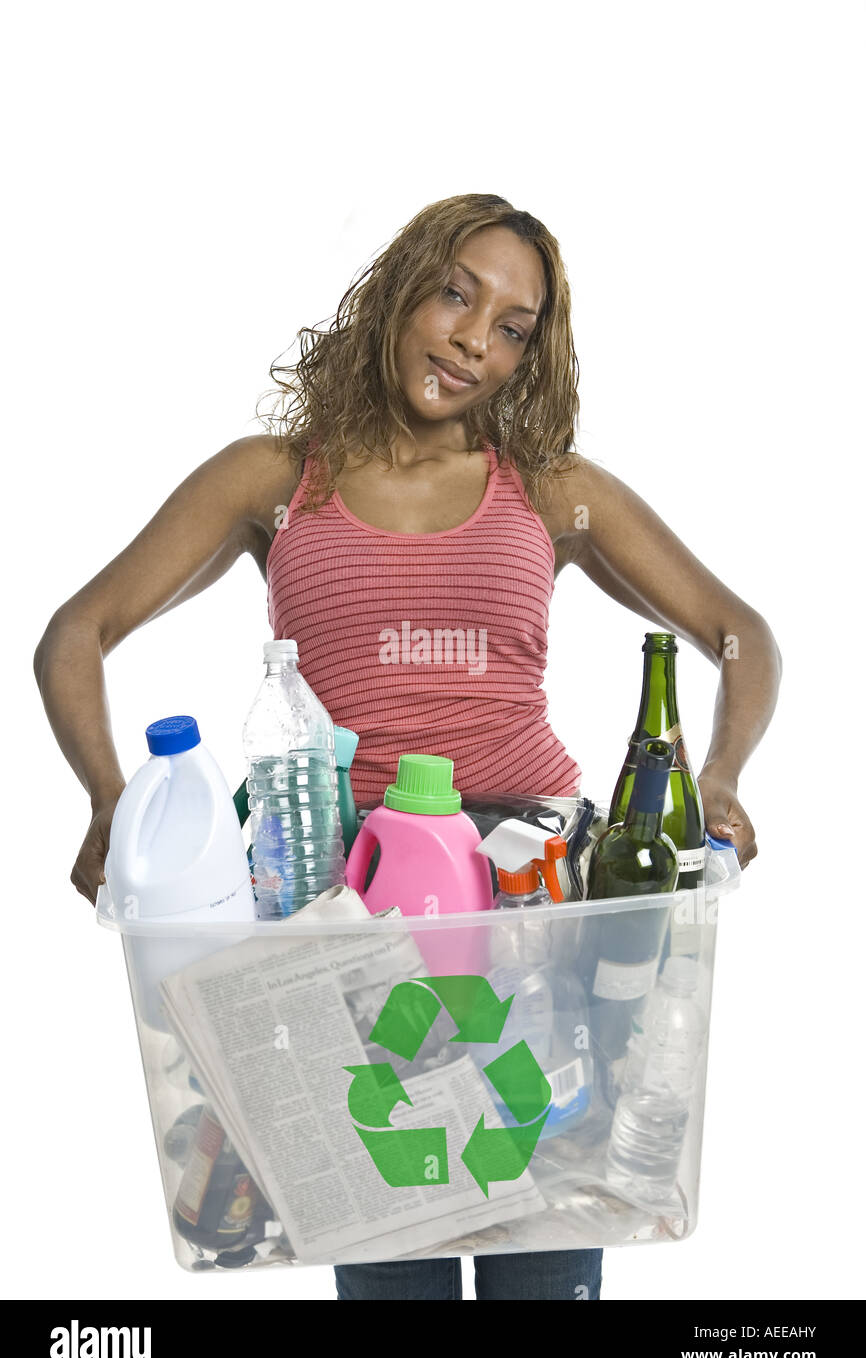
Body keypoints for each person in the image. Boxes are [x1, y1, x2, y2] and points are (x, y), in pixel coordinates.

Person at [33, 192, 781, 1300]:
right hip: (350, 922)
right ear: (400, 287)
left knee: (542, 1250)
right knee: (395, 1253)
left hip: (534, 908)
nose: (477, 337)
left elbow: (738, 634)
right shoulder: (276, 479)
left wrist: (718, 777)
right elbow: (75, 636)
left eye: (514, 325)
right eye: (455, 293)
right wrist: (105, 799)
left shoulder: (548, 489)